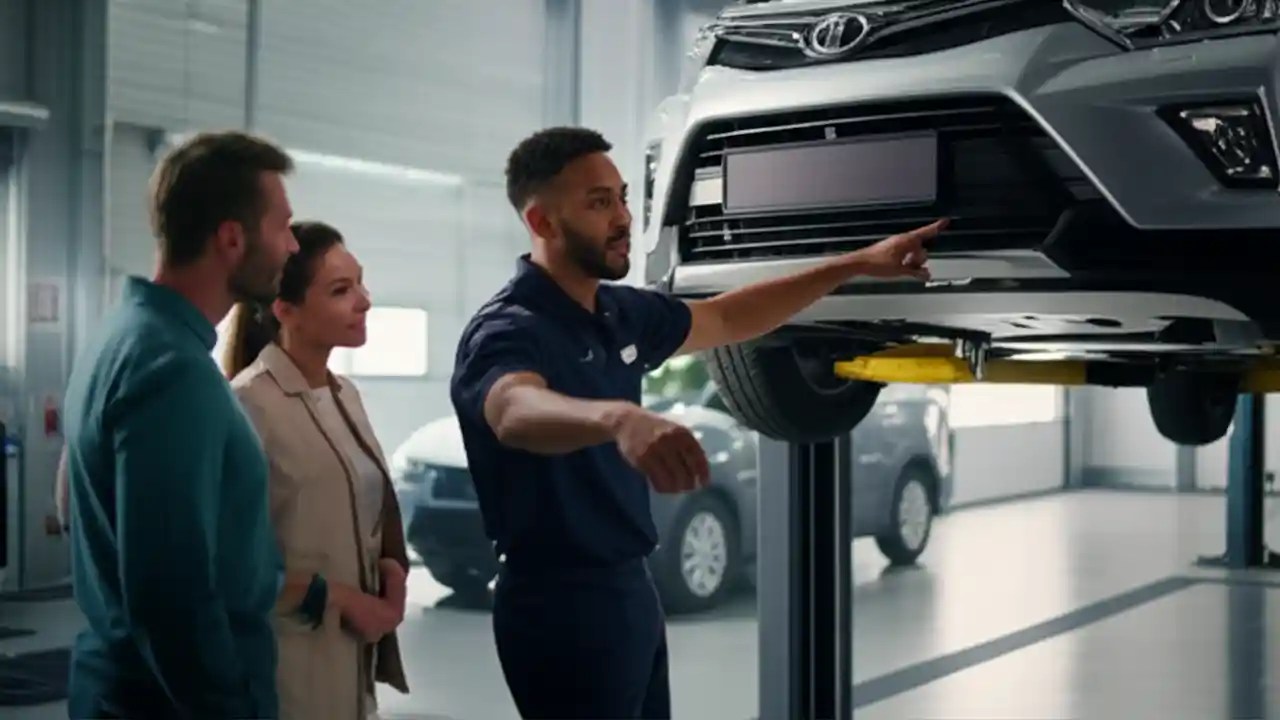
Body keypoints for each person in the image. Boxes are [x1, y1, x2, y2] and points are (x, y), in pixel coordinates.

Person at [449, 126, 945, 720]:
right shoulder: (508, 329)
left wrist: (856, 264)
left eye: (623, 197)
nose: (624, 218)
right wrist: (616, 418)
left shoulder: (618, 312)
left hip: (629, 588)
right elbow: (512, 409)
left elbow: (728, 318)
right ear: (542, 223)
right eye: (599, 203)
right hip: (560, 605)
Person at [61, 130, 299, 719]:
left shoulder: (125, 333)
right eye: (283, 226)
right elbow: (170, 593)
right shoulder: (171, 369)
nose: (293, 245)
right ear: (231, 238)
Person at [222, 220, 411, 720]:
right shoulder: (247, 405)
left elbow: (369, 509)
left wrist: (391, 575)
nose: (365, 301)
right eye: (341, 290)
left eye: (361, 283)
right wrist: (343, 601)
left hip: (353, 660)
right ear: (286, 311)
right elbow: (226, 561)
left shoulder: (344, 395)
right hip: (286, 663)